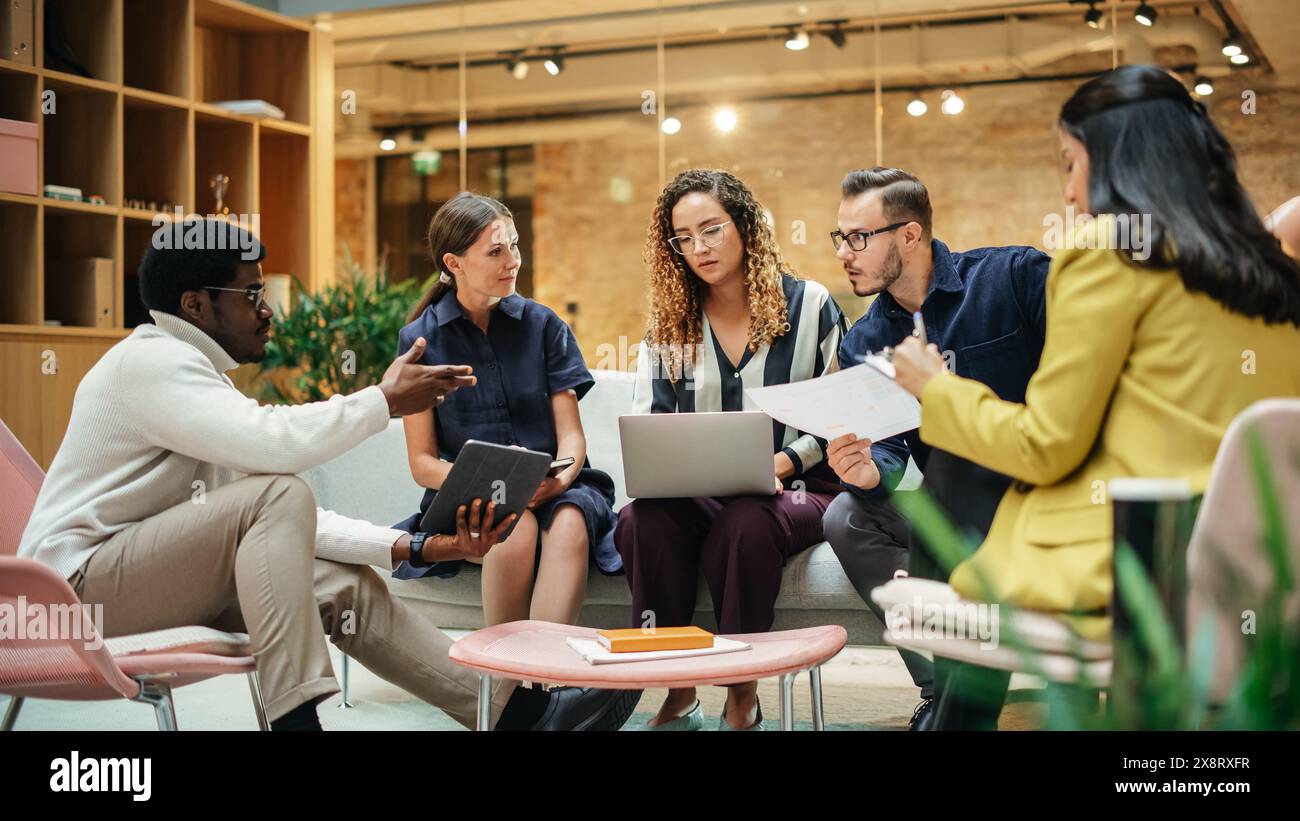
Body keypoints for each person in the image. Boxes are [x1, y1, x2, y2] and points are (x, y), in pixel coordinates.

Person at [17, 218, 639, 731]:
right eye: (251, 296)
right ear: (194, 305)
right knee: (277, 491)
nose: (268, 312)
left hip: (147, 575)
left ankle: (515, 713)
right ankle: (297, 725)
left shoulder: (196, 381)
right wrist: (382, 402)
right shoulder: (150, 364)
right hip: (74, 594)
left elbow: (283, 524)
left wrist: (417, 545)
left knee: (339, 584)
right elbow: (272, 452)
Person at [890, 64, 1300, 729]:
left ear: (1116, 161)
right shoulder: (1275, 274)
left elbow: (1045, 445)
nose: (1071, 193)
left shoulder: (1107, 252)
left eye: (1072, 164)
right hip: (1264, 573)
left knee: (960, 463)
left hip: (1140, 563)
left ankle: (951, 704)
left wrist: (936, 389)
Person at [615, 169, 847, 731]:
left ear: (744, 224)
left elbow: (840, 417)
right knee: (640, 521)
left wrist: (785, 462)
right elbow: (652, 423)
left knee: (745, 523)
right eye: (684, 237)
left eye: (711, 229)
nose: (699, 248)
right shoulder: (670, 322)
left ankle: (742, 688)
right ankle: (677, 686)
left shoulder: (810, 305)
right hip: (699, 493)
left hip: (796, 489)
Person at [820, 167, 1051, 730]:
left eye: (859, 237)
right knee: (847, 513)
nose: (845, 254)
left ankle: (961, 688)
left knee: (953, 501)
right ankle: (944, 681)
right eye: (839, 238)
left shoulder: (1014, 277)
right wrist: (870, 471)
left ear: (909, 234)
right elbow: (893, 451)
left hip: (1044, 486)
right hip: (950, 505)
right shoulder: (866, 341)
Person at [391, 192, 620, 631]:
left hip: (560, 487)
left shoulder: (545, 326)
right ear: (454, 263)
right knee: (514, 527)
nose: (512, 260)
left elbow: (570, 437)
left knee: (570, 522)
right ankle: (506, 683)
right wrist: (492, 485)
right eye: (496, 251)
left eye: (514, 245)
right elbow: (422, 463)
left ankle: (551, 681)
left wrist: (560, 479)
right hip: (471, 496)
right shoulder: (420, 341)